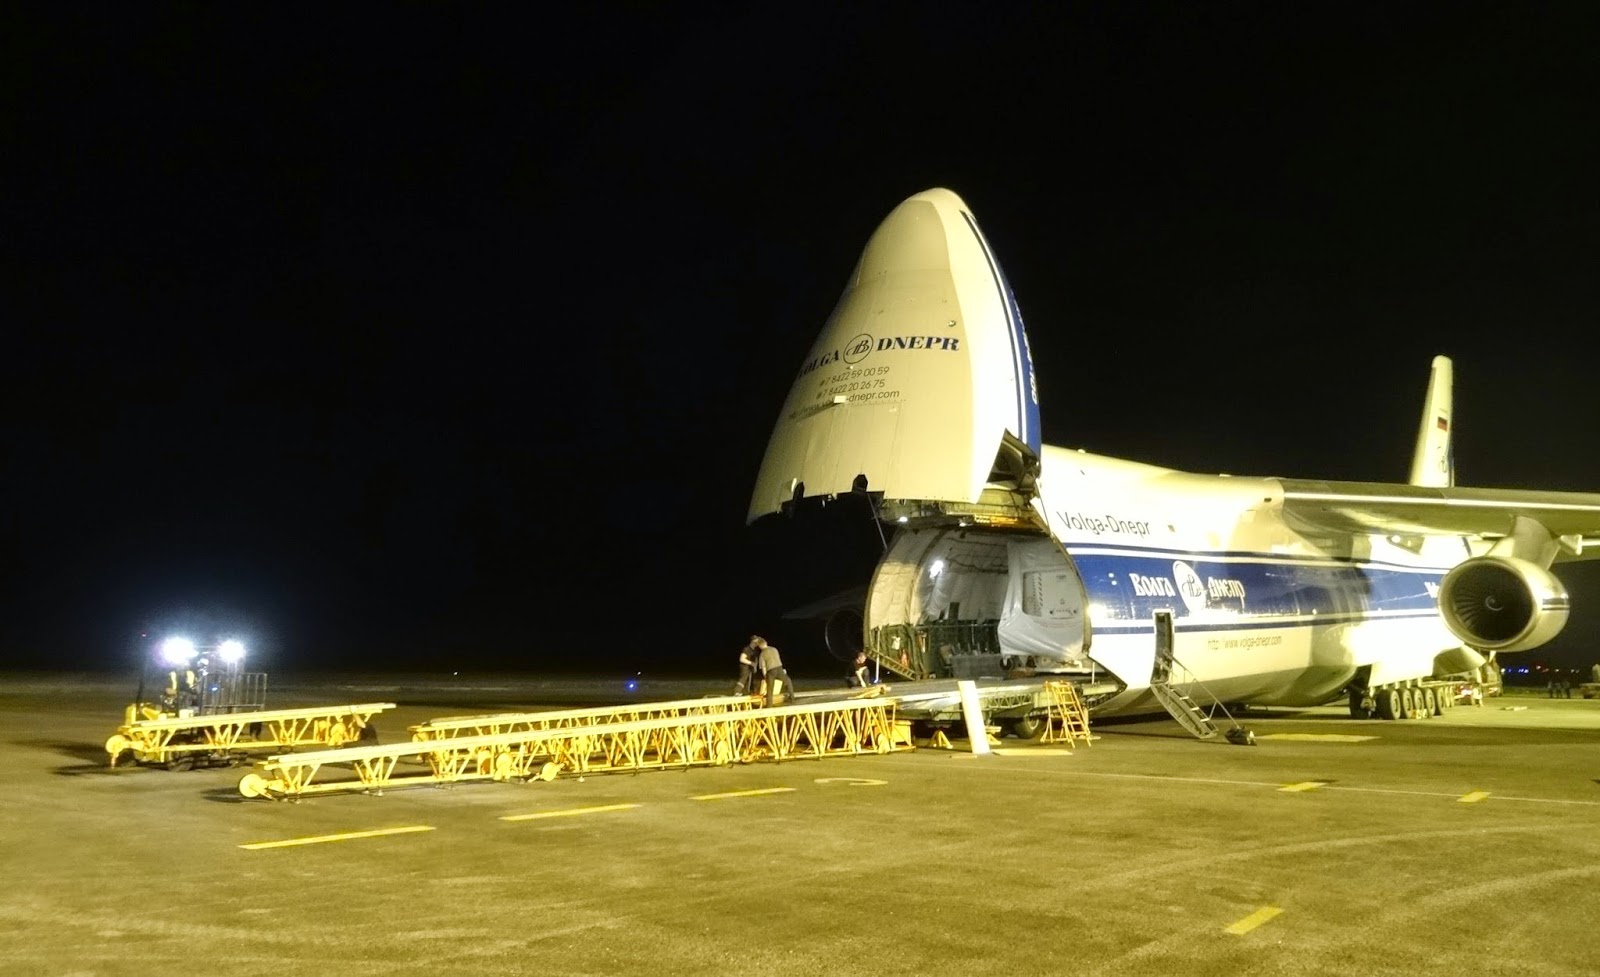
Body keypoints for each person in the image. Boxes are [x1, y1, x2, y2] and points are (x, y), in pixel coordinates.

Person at [754, 636, 792, 707]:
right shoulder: (774, 649)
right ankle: (792, 698)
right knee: (788, 682)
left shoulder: (762, 654)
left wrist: (765, 677)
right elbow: (778, 659)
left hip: (771, 671)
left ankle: (769, 705)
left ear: (759, 646)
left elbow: (763, 667)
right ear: (766, 643)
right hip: (779, 668)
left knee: (770, 689)